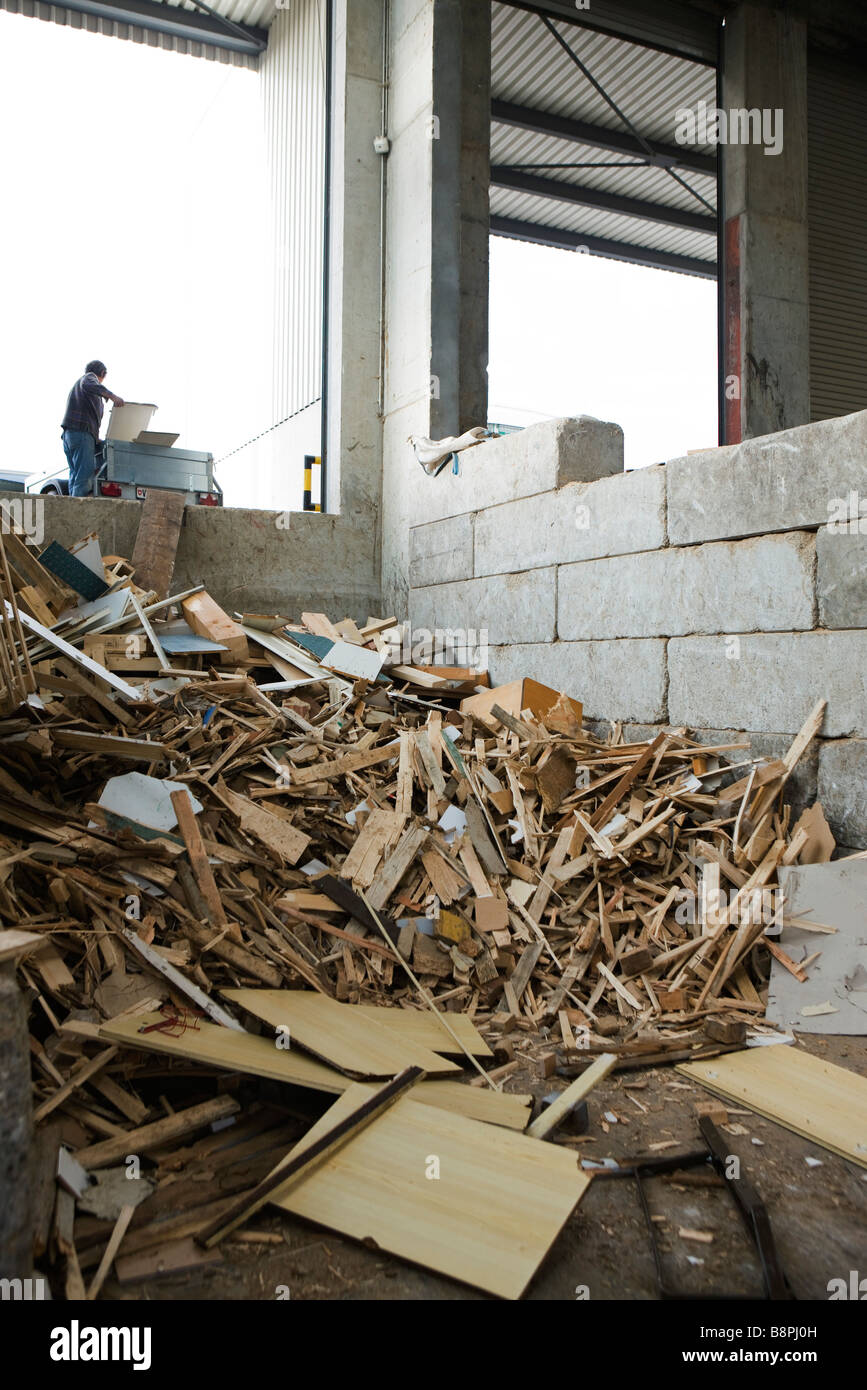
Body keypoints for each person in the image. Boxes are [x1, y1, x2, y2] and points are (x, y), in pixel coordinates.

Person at [61, 361, 124, 497]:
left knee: (76, 476)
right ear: (102, 374)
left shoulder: (81, 388)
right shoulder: (89, 378)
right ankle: (79, 510)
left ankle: (72, 505)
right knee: (84, 477)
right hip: (81, 433)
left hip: (71, 435)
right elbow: (90, 384)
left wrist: (95, 439)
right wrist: (111, 396)